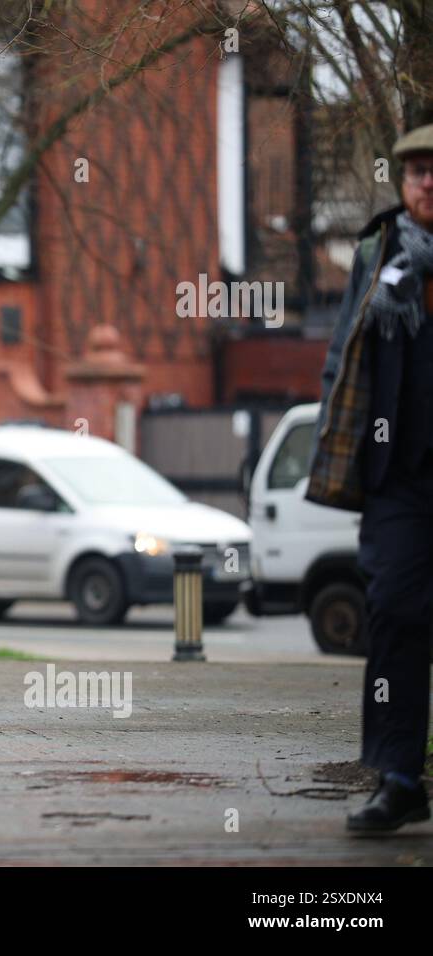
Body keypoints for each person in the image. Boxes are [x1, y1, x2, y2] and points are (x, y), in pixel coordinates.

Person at [307, 122, 433, 833]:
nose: (426, 183)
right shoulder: (377, 249)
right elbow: (343, 352)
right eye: (416, 171)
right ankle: (396, 775)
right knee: (392, 613)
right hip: (397, 476)